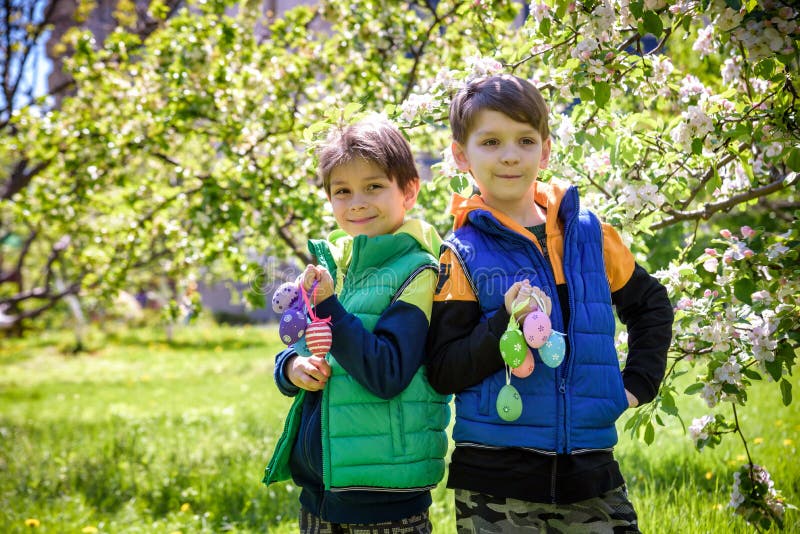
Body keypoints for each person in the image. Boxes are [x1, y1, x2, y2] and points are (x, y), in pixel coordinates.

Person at [426, 74, 674, 532]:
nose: (509, 155)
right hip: (496, 484)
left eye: (524, 140)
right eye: (491, 141)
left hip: (591, 471)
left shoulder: (588, 235)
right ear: (461, 154)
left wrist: (636, 383)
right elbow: (444, 370)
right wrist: (503, 319)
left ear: (545, 150)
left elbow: (651, 305)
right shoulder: (459, 253)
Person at [263, 116, 450, 533]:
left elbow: (387, 373)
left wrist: (329, 305)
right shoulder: (338, 264)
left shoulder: (416, 270)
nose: (357, 202)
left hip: (383, 497)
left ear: (409, 191)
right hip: (322, 490)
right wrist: (293, 369)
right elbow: (305, 343)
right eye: (342, 191)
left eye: (373, 186)